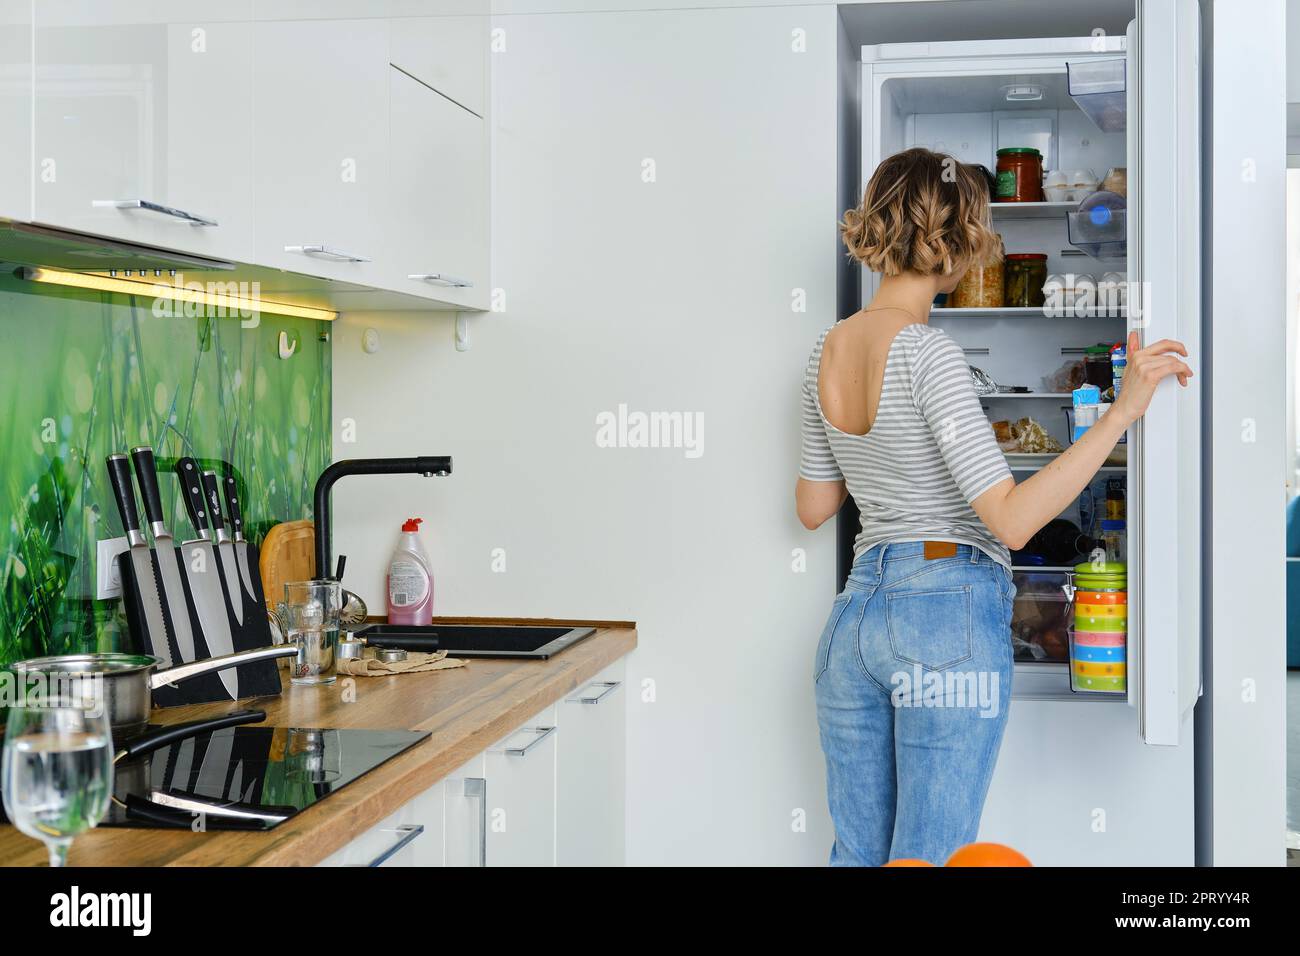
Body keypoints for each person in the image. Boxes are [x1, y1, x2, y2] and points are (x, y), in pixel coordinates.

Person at [795, 147, 1191, 866]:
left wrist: (889, 449)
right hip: (940, 613)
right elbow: (1010, 519)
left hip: (853, 621)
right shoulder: (928, 353)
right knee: (935, 854)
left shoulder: (828, 348)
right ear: (952, 238)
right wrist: (1121, 412)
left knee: (857, 853)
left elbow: (816, 505)